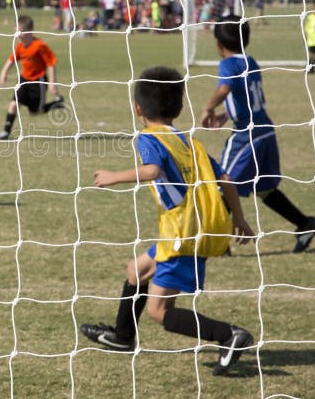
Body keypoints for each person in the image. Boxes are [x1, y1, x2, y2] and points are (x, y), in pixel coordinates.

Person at [80, 66, 255, 376]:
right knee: (136, 270)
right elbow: (226, 178)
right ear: (180, 107)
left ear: (137, 108)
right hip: (193, 228)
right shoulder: (188, 142)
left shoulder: (149, 138)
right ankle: (123, 336)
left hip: (182, 234)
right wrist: (238, 217)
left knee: (159, 311)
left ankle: (228, 335)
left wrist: (113, 176)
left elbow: (152, 170)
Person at [201, 16, 315, 253]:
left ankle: (219, 243)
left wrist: (208, 108)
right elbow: (247, 96)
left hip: (247, 135)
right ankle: (305, 224)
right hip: (266, 132)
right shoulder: (251, 61)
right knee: (264, 189)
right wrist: (227, 114)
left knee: (223, 183)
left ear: (218, 44)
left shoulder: (227, 64)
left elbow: (225, 88)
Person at [0, 15, 64, 140]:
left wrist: (52, 83)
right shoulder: (20, 46)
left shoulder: (39, 45)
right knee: (13, 104)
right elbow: (12, 59)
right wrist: (3, 72)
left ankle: (57, 102)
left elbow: (51, 63)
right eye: (17, 31)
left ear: (30, 31)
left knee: (35, 111)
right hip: (23, 80)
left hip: (38, 81)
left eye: (21, 31)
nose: (18, 34)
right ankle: (6, 132)